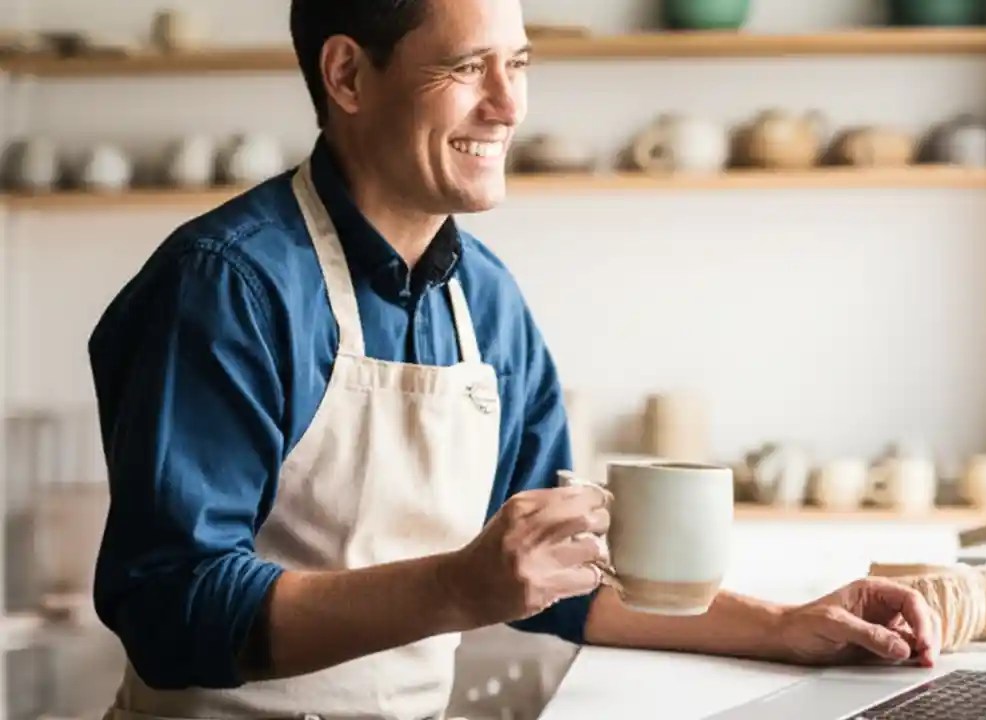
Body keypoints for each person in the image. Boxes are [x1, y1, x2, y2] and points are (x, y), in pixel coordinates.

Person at [86, 0, 942, 717]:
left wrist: (786, 626)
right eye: (467, 68)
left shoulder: (486, 302)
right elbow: (169, 609)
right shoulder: (227, 286)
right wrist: (458, 588)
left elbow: (561, 579)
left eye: (519, 64)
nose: (508, 106)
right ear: (347, 75)